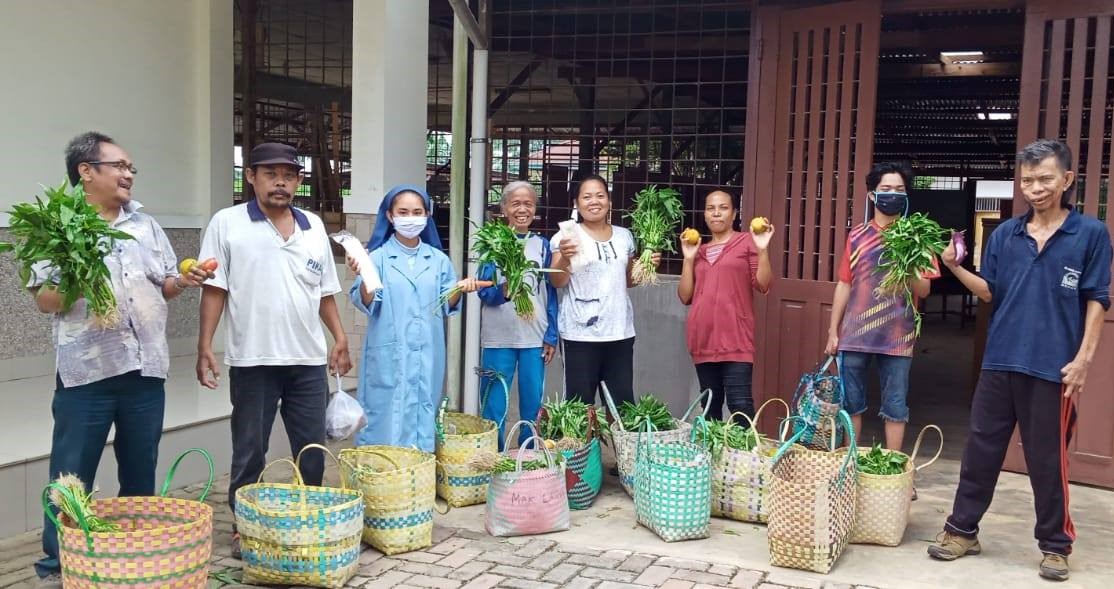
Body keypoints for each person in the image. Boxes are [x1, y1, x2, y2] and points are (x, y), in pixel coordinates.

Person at [32, 132, 212, 585]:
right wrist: (78, 270)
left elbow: (166, 282)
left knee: (139, 467)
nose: (129, 174)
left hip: (146, 369)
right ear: (86, 171)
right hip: (87, 373)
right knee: (72, 475)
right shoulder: (56, 227)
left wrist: (186, 280)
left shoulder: (145, 225)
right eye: (119, 166)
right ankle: (59, 564)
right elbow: (46, 301)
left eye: (132, 167)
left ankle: (133, 555)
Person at [928, 139, 1111, 582]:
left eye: (1045, 179)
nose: (1035, 188)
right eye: (1028, 180)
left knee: (1049, 461)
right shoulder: (1006, 235)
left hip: (1053, 368)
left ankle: (1055, 545)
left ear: (1067, 180)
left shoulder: (1090, 234)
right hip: (1000, 362)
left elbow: (1098, 299)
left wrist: (1084, 359)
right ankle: (962, 530)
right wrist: (953, 268)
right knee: (980, 452)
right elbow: (990, 291)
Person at [195, 142, 352, 559]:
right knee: (250, 449)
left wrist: (339, 337)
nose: (281, 181)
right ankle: (245, 526)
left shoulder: (313, 225)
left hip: (306, 360)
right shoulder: (227, 223)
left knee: (312, 450)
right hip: (253, 361)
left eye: (289, 174)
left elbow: (324, 290)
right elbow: (215, 288)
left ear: (298, 180)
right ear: (251, 177)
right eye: (271, 173)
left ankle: (308, 516)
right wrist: (204, 346)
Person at [347, 184, 481, 452]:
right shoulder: (378, 258)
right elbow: (368, 302)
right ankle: (382, 474)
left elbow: (446, 304)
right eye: (403, 212)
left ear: (427, 215)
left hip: (427, 353)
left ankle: (418, 473)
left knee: (423, 406)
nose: (411, 218)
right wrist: (363, 276)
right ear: (390, 216)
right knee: (385, 411)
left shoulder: (438, 260)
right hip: (388, 352)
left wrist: (459, 289)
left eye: (417, 212)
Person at [825, 162, 939, 451]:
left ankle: (893, 471)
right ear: (872, 196)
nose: (893, 195)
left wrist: (908, 256)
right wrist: (833, 331)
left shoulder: (918, 238)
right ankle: (850, 465)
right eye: (886, 189)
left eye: (900, 190)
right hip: (855, 335)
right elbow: (844, 284)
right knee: (852, 403)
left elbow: (924, 289)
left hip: (897, 336)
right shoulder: (857, 236)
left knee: (896, 405)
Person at [548, 174, 659, 410]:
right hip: (580, 334)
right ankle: (586, 448)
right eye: (586, 197)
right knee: (580, 407)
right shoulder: (566, 237)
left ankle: (617, 448)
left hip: (619, 331)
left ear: (609, 202)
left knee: (620, 406)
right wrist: (565, 258)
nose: (594, 201)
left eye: (600, 195)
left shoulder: (623, 236)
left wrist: (647, 267)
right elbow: (557, 281)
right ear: (576, 204)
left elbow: (628, 280)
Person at [677, 189, 774, 421]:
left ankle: (746, 455)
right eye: (711, 208)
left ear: (733, 214)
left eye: (723, 208)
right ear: (704, 214)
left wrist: (762, 249)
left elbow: (764, 284)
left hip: (736, 337)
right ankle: (714, 455)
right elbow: (684, 296)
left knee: (740, 403)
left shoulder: (746, 242)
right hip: (703, 337)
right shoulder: (698, 250)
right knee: (710, 404)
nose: (716, 213)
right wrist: (688, 259)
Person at [476, 181, 559, 449]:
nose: (522, 209)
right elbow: (483, 292)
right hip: (498, 338)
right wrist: (505, 290)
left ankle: (528, 458)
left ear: (535, 209)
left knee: (533, 406)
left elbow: (551, 292)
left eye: (528, 204)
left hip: (534, 338)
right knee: (493, 405)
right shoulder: (493, 243)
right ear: (504, 208)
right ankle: (494, 460)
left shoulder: (543, 246)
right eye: (515, 203)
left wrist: (551, 334)